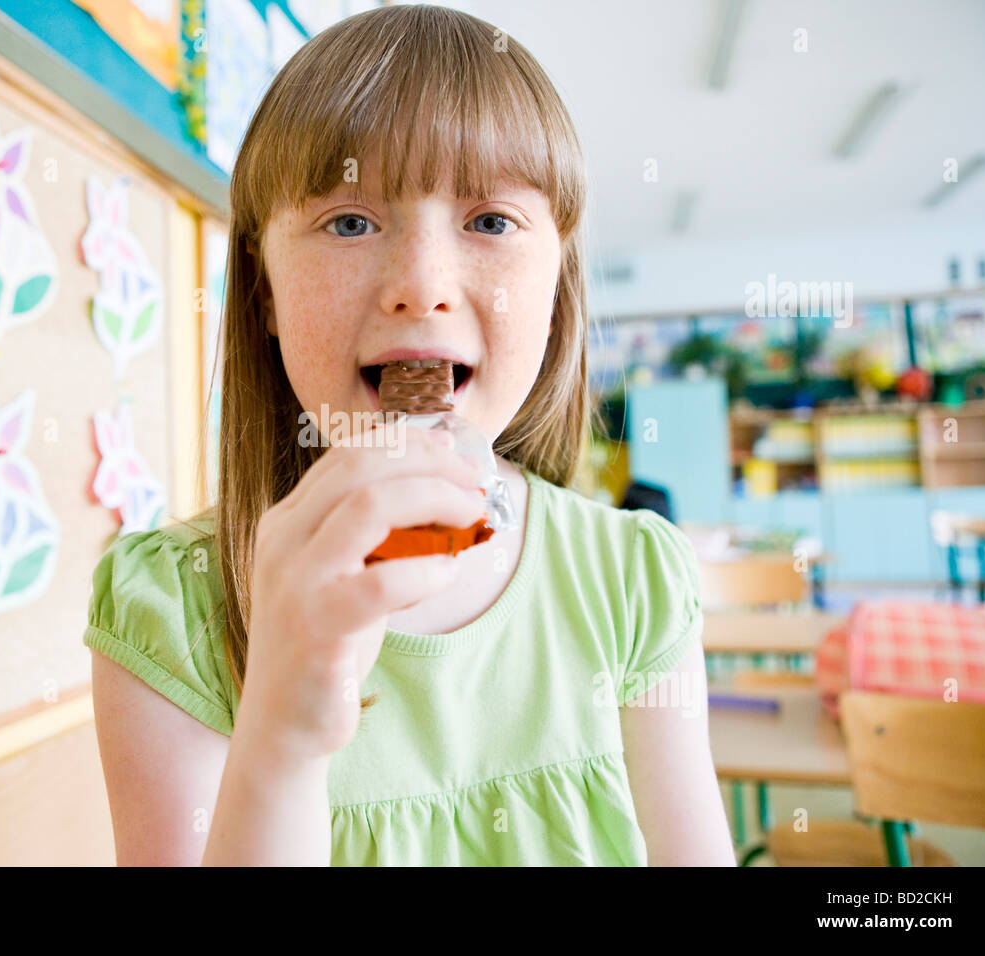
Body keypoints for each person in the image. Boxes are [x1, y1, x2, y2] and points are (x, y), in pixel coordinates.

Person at [85, 4, 734, 866]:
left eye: (490, 222)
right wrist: (279, 734)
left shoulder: (633, 582)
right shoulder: (169, 612)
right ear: (265, 293)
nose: (421, 287)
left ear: (557, 291)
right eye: (350, 221)